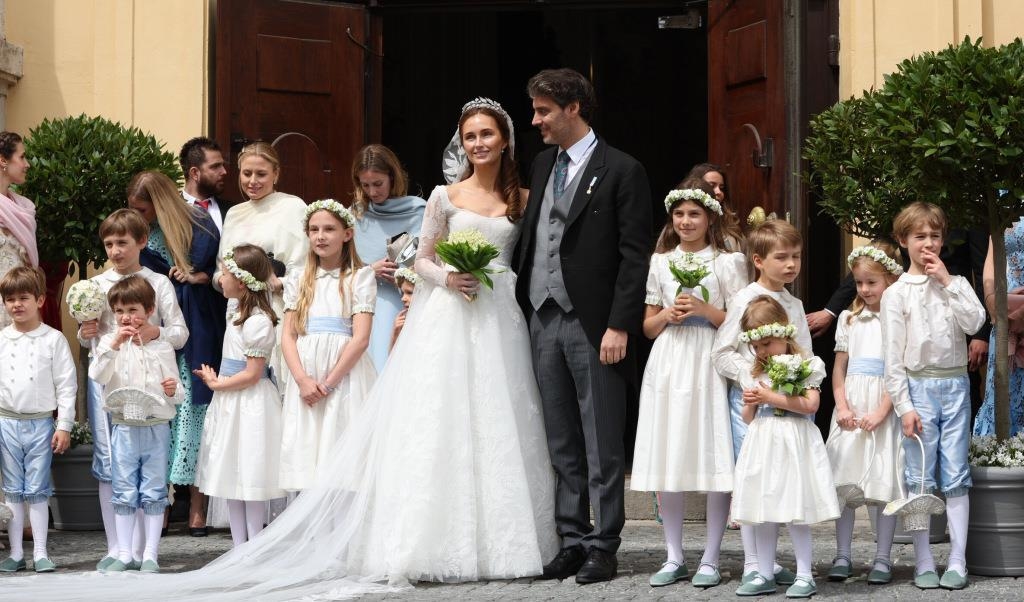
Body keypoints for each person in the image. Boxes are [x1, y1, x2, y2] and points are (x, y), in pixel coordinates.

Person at [0, 97, 557, 601]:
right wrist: (445, 277)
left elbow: (526, 256)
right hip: (448, 314)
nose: (479, 143)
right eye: (471, 135)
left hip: (497, 314)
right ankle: (435, 539)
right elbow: (425, 259)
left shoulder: (521, 196)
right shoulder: (445, 196)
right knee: (437, 425)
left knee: (496, 422)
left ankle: (504, 541)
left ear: (504, 139)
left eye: (488, 134)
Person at [515, 67, 652, 585]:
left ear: (573, 108)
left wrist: (620, 325)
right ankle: (571, 538)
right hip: (542, 315)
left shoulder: (622, 169)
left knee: (601, 442)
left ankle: (604, 544)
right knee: (560, 439)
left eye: (544, 111)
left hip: (595, 324)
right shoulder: (543, 162)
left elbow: (633, 256)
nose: (536, 121)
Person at [630, 182, 747, 589]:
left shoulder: (727, 262)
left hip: (710, 356)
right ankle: (674, 554)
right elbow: (646, 326)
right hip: (670, 356)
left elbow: (741, 320)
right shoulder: (661, 262)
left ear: (710, 218)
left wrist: (704, 310)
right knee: (670, 452)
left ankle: (711, 556)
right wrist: (667, 315)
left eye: (694, 214)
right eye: (679, 215)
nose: (685, 222)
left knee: (716, 455)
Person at [881, 202, 985, 591]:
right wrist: (904, 407)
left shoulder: (954, 283)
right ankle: (924, 559)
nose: (928, 244)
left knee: (956, 473)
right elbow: (893, 360)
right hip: (918, 388)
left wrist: (947, 280)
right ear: (903, 240)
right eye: (919, 236)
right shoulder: (895, 295)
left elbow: (976, 321)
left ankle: (957, 559)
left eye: (935, 236)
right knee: (919, 477)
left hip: (955, 385)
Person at [76, 209, 188, 571]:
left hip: (149, 382)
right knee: (110, 463)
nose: (115, 250)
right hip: (110, 382)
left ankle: (144, 549)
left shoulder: (158, 282)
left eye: (122, 242)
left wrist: (157, 332)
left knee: (146, 465)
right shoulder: (95, 286)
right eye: (109, 243)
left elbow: (179, 332)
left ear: (141, 242)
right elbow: (91, 339)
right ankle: (117, 547)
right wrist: (85, 333)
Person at [711, 218, 811, 586]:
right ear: (758, 260)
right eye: (782, 257)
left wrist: (794, 381)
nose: (791, 265)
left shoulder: (794, 304)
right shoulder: (743, 300)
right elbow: (721, 352)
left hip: (787, 406)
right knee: (753, 481)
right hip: (750, 406)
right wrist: (751, 376)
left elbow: (803, 353)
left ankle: (770, 561)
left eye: (796, 257)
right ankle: (753, 563)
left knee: (783, 483)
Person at [129, 170, 225, 537]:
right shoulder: (144, 232)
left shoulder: (196, 222)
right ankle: (163, 502)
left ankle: (198, 507)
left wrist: (187, 273)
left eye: (143, 207)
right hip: (160, 321)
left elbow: (202, 262)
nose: (138, 214)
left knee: (196, 409)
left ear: (159, 203)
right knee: (164, 411)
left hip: (197, 319)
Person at [730, 296, 837, 598]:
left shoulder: (808, 365)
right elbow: (748, 418)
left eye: (767, 343)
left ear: (784, 333)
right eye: (757, 346)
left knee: (794, 508)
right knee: (764, 509)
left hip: (792, 440)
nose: (762, 351)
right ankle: (764, 572)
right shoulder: (755, 371)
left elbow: (810, 404)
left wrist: (771, 398)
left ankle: (804, 574)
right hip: (764, 441)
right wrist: (751, 403)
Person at [88, 276, 183, 573]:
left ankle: (151, 554)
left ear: (149, 309)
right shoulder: (109, 343)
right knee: (124, 488)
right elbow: (97, 375)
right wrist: (114, 344)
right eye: (119, 311)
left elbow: (178, 391)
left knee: (154, 489)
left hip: (156, 426)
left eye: (132, 309)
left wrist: (171, 391)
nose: (126, 317)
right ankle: (125, 552)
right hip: (124, 427)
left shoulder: (162, 346)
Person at [279, 200, 376, 491]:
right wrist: (303, 380)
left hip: (343, 376)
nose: (320, 236)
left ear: (347, 234)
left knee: (340, 442)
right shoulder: (298, 278)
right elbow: (287, 336)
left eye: (329, 229)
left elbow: (360, 339)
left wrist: (328, 384)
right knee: (308, 448)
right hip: (306, 372)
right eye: (314, 229)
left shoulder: (360, 277)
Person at [193, 245, 284, 546]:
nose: (220, 278)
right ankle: (237, 546)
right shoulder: (235, 311)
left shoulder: (257, 322)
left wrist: (216, 383)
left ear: (242, 282)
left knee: (250, 472)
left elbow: (253, 373)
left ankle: (254, 544)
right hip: (232, 401)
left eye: (227, 273)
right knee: (230, 473)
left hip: (250, 402)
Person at [825, 243, 904, 585]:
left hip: (882, 407)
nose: (864, 290)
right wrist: (842, 406)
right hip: (852, 408)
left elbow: (899, 369)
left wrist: (883, 411)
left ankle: (883, 558)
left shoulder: (898, 318)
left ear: (889, 279)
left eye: (872, 283)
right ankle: (842, 554)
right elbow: (839, 368)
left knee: (880, 484)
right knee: (846, 483)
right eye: (859, 283)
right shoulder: (848, 318)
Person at [0, 267, 76, 573]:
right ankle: (17, 552)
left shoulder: (54, 340)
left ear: (40, 299)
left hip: (41, 424)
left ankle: (41, 551)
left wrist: (64, 425)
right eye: (9, 299)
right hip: (6, 422)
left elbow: (67, 385)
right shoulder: (2, 339)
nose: (17, 304)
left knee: (38, 488)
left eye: (23, 298)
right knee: (13, 489)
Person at [350, 144, 426, 371]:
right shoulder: (356, 213)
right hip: (363, 300)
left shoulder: (418, 210)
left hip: (401, 300)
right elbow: (341, 265)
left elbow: (428, 259)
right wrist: (369, 270)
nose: (372, 192)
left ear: (392, 177)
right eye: (365, 185)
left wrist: (405, 274)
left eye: (378, 184)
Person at [217, 141, 309, 319]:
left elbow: (306, 266)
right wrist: (222, 279)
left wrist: (279, 283)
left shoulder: (293, 207)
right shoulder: (234, 213)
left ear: (276, 174)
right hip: (238, 311)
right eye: (246, 173)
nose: (252, 181)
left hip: (277, 307)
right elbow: (220, 267)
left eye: (261, 174)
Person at [974, 217, 1024, 435]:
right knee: (1004, 392)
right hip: (1004, 316)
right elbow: (992, 255)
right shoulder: (1003, 195)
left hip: (1015, 312)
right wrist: (991, 299)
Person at [0, 132, 39, 328]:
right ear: (2, 160)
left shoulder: (24, 207)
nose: (27, 164)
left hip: (21, 306)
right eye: (22, 157)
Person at [681, 163, 744, 253]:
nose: (719, 192)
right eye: (711, 186)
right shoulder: (681, 226)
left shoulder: (730, 227)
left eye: (721, 188)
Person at [179, 137, 230, 234]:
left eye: (222, 165)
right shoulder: (170, 210)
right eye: (215, 166)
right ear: (194, 173)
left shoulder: (231, 211)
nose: (224, 172)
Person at [390, 266, 417, 349]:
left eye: (409, 292)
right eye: (402, 293)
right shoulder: (405, 323)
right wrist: (395, 333)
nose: (403, 299)